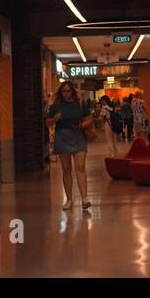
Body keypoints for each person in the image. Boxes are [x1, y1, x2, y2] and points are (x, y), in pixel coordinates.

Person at [45, 80, 93, 210]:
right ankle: (69, 199)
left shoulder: (80, 104)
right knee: (66, 169)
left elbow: (89, 119)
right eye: (64, 91)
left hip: (78, 135)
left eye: (68, 91)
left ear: (72, 91)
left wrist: (82, 125)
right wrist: (54, 119)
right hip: (62, 136)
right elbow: (47, 122)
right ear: (61, 92)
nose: (66, 93)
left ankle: (84, 198)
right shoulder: (56, 106)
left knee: (80, 167)